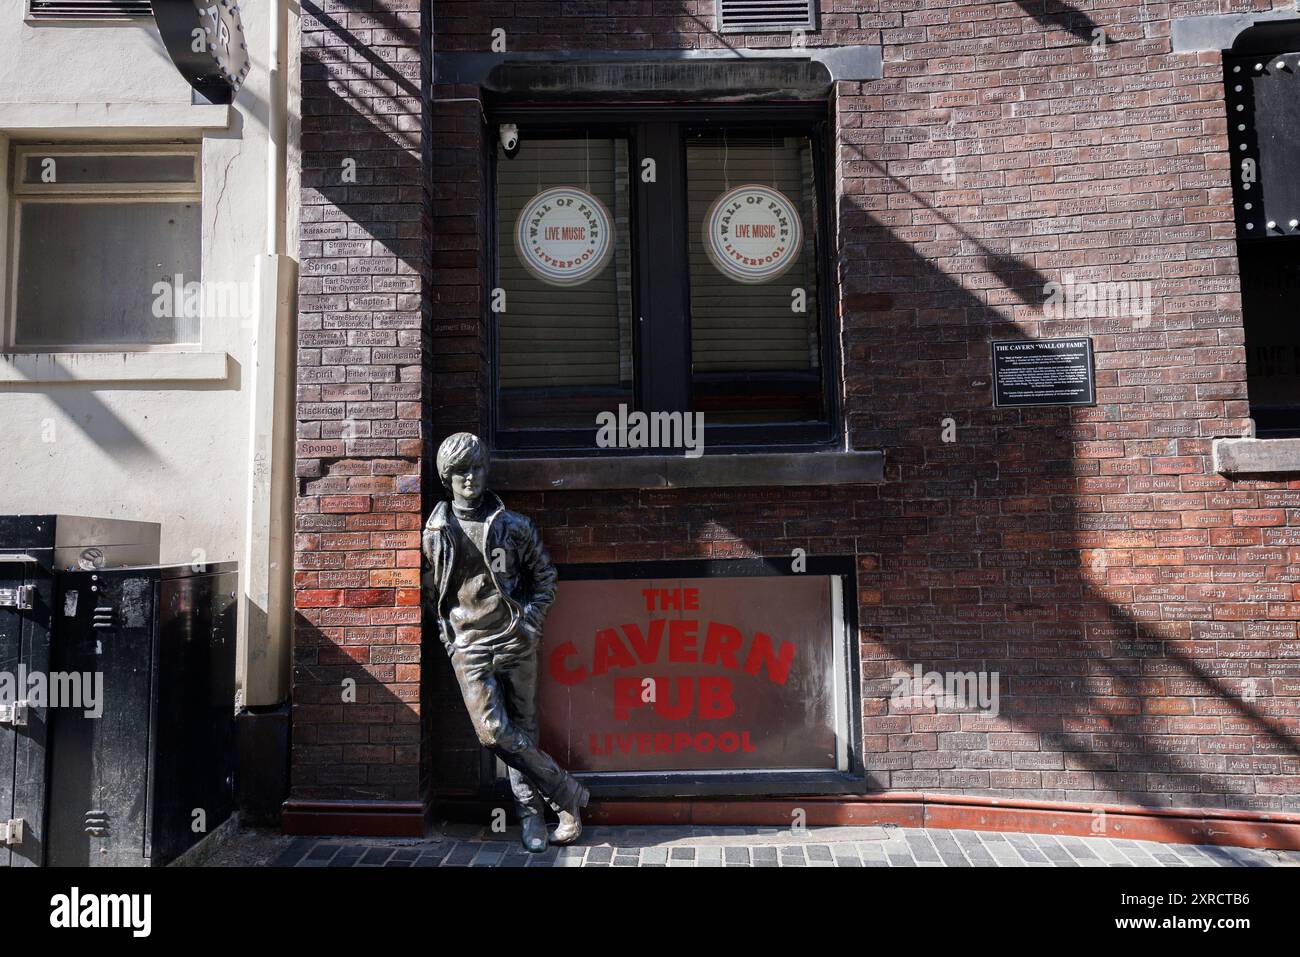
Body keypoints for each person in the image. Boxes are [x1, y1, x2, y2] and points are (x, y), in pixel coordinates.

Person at [422, 432, 588, 852]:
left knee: (524, 731)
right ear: (446, 477)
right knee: (494, 733)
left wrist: (530, 623)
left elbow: (545, 577)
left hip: (516, 641)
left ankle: (531, 816)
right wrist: (450, 641)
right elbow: (431, 592)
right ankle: (567, 793)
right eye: (460, 471)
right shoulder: (437, 531)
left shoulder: (513, 526)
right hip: (470, 646)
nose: (470, 478)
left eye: (476, 468)